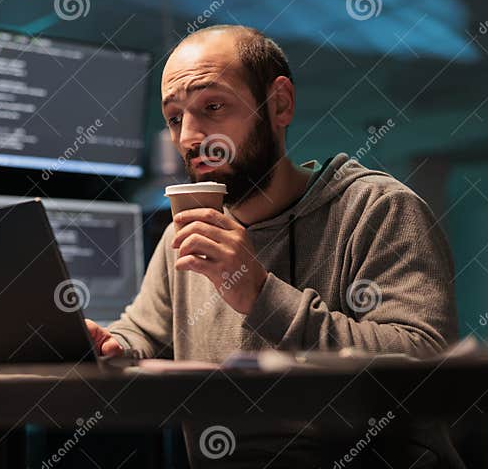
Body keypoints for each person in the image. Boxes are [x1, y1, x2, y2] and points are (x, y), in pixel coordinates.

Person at [85, 24, 464, 468]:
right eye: (174, 117)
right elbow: (144, 334)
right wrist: (112, 344)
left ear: (279, 103)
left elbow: (425, 369)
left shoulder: (378, 210)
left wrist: (260, 294)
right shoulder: (182, 237)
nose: (189, 136)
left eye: (212, 106)